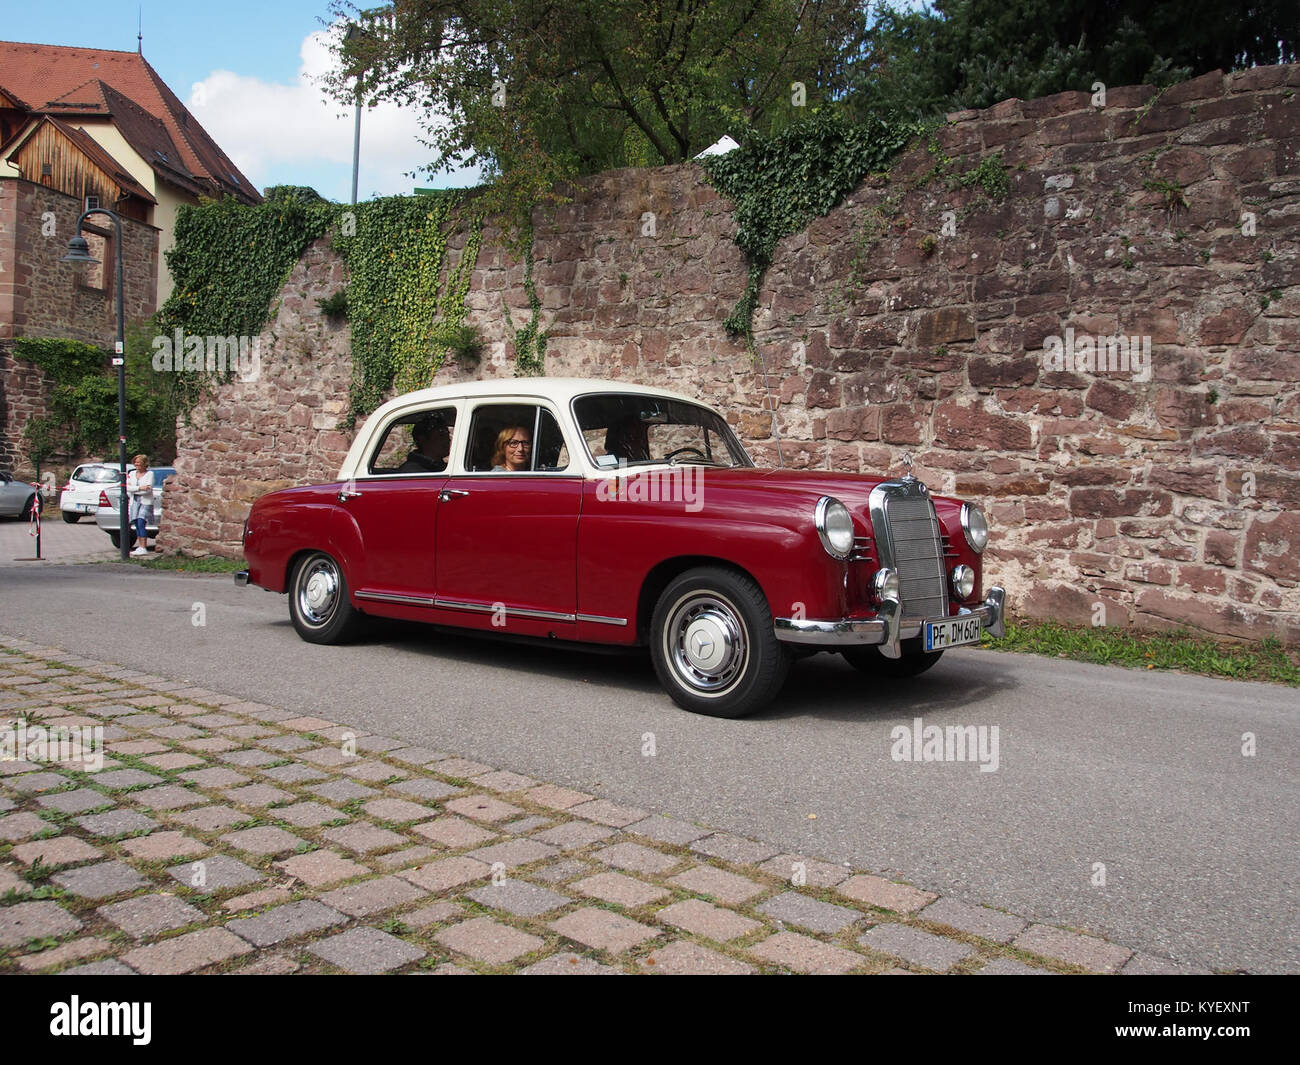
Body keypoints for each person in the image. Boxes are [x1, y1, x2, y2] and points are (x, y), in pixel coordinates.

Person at [126, 454, 155, 556]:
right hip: (134, 502)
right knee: (136, 524)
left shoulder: (149, 474)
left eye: (139, 462)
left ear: (144, 463)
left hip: (145, 502)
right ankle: (139, 546)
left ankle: (144, 547)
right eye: (135, 462)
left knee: (141, 522)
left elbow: (147, 490)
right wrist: (139, 488)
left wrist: (135, 489)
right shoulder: (132, 473)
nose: (137, 464)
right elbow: (127, 488)